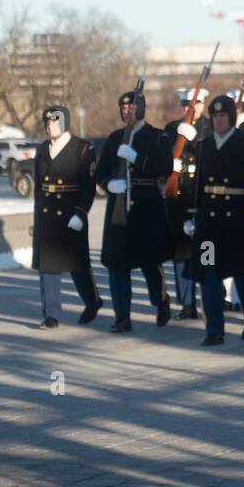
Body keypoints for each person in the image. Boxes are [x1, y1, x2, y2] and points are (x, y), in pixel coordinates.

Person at [183, 95, 244, 345]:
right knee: (208, 275)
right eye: (215, 116)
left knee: (243, 274)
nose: (219, 120)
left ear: (231, 117)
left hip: (237, 220)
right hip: (208, 223)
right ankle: (214, 330)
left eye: (223, 116)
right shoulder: (203, 146)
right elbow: (195, 185)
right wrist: (190, 215)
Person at [96, 89, 173, 332]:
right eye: (123, 108)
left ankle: (161, 300)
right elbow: (100, 171)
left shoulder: (157, 136)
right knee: (117, 263)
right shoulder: (114, 138)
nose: (126, 111)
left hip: (147, 207)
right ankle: (122, 316)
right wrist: (109, 184)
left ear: (141, 109)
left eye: (131, 107)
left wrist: (136, 158)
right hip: (119, 207)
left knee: (150, 262)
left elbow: (165, 168)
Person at [32, 105, 102, 328]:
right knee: (48, 266)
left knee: (77, 264)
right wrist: (37, 218)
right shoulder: (42, 149)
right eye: (47, 122)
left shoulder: (82, 148)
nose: (49, 126)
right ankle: (51, 315)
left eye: (53, 121)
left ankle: (92, 300)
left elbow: (88, 186)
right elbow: (39, 187)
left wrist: (81, 213)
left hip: (71, 213)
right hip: (47, 215)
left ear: (64, 122)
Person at [164, 88, 210, 321]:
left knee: (207, 253)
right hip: (179, 200)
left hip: (202, 199)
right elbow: (163, 157)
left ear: (202, 105)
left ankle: (212, 298)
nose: (188, 108)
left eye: (193, 104)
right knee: (181, 254)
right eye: (184, 104)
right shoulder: (172, 128)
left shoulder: (210, 128)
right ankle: (187, 304)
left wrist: (194, 142)